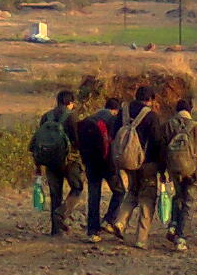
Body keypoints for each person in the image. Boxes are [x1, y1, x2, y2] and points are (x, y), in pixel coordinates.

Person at [30, 89, 83, 235]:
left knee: (55, 194)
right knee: (77, 188)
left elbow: (38, 141)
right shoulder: (72, 117)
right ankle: (61, 213)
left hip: (49, 161)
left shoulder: (46, 116)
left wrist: (38, 164)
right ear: (70, 102)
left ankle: (55, 230)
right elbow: (77, 140)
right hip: (69, 161)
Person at [118, 85, 165, 249]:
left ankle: (120, 222)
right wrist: (161, 166)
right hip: (147, 163)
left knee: (132, 191)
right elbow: (157, 141)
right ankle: (141, 238)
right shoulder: (151, 116)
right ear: (150, 99)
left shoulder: (123, 111)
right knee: (147, 198)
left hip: (127, 161)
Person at [164, 97, 197, 252]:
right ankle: (181, 237)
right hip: (191, 169)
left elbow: (162, 148)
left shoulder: (168, 125)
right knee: (188, 202)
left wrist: (163, 170)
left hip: (174, 169)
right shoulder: (196, 126)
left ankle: (173, 225)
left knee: (177, 197)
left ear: (176, 110)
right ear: (191, 110)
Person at [77, 96, 125, 243]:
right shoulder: (113, 119)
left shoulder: (88, 120)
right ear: (116, 110)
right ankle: (108, 219)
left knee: (94, 196)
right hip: (107, 164)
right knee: (120, 191)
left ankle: (92, 231)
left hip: (91, 164)